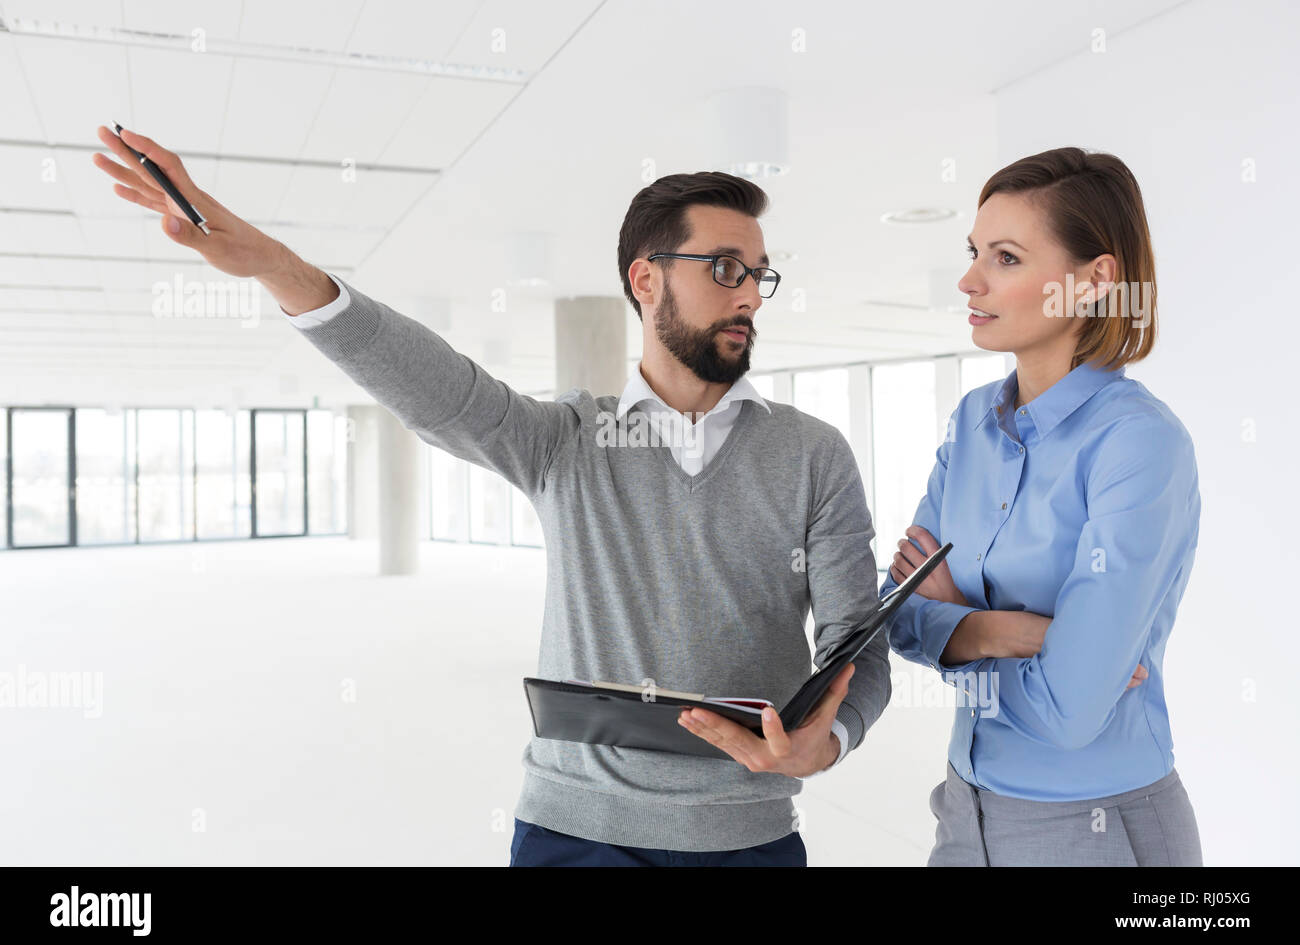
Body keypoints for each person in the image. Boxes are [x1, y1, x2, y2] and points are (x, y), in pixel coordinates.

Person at [92, 125, 890, 867]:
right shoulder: (567, 442)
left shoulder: (813, 454)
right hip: (573, 835)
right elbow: (438, 388)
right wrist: (277, 265)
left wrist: (827, 742)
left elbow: (858, 649)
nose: (749, 295)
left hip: (749, 841)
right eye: (724, 268)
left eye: (758, 274)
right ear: (646, 280)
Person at [882, 146, 1203, 866]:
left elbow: (1071, 709)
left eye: (1005, 257)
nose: (969, 280)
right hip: (962, 808)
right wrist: (1014, 632)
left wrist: (955, 622)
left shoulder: (1138, 443)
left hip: (1096, 825)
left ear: (1095, 280)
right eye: (973, 253)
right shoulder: (971, 420)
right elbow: (896, 612)